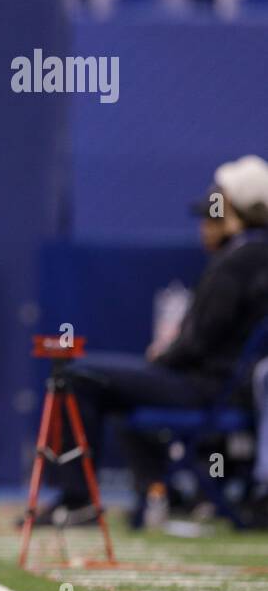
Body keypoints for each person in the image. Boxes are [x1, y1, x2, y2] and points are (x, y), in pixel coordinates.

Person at [35, 155, 268, 526]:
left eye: (213, 212)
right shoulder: (250, 256)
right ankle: (159, 490)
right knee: (114, 386)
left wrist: (161, 362)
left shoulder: (238, 262)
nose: (203, 226)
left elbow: (201, 342)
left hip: (206, 387)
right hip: (220, 383)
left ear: (234, 215)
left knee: (80, 376)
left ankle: (77, 499)